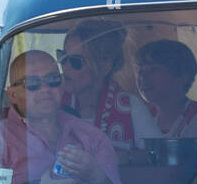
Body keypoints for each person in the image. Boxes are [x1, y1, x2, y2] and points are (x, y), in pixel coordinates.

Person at [0, 50, 128, 184]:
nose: (45, 89)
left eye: (52, 80)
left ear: (62, 85)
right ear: (13, 94)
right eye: (32, 83)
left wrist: (98, 180)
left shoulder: (92, 137)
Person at [58, 20, 158, 161]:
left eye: (76, 61)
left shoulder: (131, 107)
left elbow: (157, 155)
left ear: (105, 66)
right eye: (63, 57)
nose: (65, 67)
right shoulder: (51, 104)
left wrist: (123, 157)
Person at [134, 40, 197, 139]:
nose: (142, 77)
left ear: (182, 76)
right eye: (140, 70)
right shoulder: (146, 116)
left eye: (154, 68)